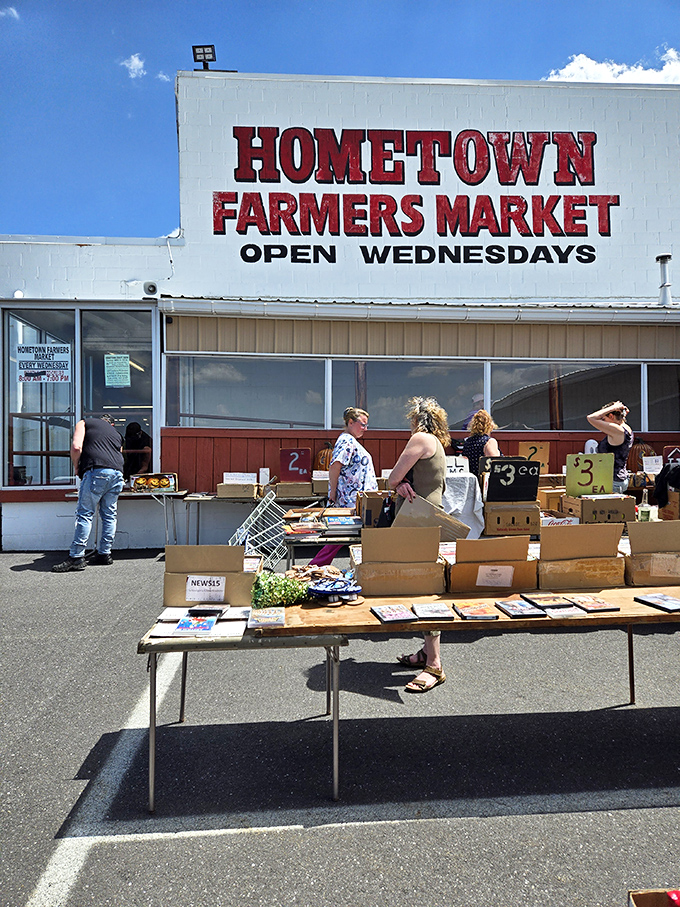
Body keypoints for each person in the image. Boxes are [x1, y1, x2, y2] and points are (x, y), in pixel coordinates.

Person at [388, 396, 450, 693]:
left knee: (422, 588)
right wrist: (401, 484)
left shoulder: (419, 438)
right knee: (422, 584)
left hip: (417, 517)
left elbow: (391, 477)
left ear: (416, 419)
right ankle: (426, 653)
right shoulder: (436, 443)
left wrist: (397, 483)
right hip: (429, 513)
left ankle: (434, 664)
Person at [52, 414, 125, 572]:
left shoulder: (84, 423)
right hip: (117, 474)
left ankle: (77, 557)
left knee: (85, 514)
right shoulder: (117, 434)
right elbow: (119, 453)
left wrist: (76, 467)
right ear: (111, 425)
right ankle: (104, 553)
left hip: (97, 471)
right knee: (109, 515)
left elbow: (77, 447)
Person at [310, 407, 378, 567]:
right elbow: (335, 466)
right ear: (350, 422)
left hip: (357, 500)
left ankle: (316, 567)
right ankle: (314, 567)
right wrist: (332, 494)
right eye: (362, 424)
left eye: (367, 425)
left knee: (340, 540)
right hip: (351, 500)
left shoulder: (350, 441)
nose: (365, 429)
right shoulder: (346, 441)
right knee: (338, 539)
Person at [586, 400, 634, 493]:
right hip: (619, 478)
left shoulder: (618, 431)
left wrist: (612, 408)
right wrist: (620, 412)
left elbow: (591, 418)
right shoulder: (626, 428)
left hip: (612, 481)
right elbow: (618, 421)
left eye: (603, 419)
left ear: (611, 416)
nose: (603, 422)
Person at [461, 409, 501, 477]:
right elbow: (495, 463)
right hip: (484, 482)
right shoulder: (489, 442)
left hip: (472, 481)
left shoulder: (468, 442)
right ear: (490, 426)